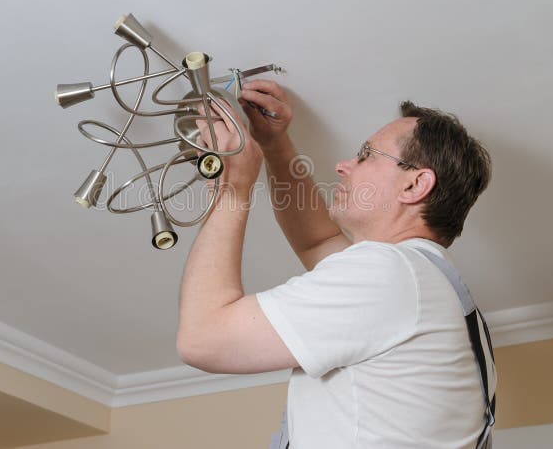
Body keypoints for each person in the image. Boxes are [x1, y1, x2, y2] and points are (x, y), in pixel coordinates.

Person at [176, 80, 494, 448]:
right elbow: (318, 240)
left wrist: (234, 183)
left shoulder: (392, 276)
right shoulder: (422, 285)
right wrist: (275, 146)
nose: (343, 166)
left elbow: (203, 339)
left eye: (366, 155)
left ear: (414, 185)